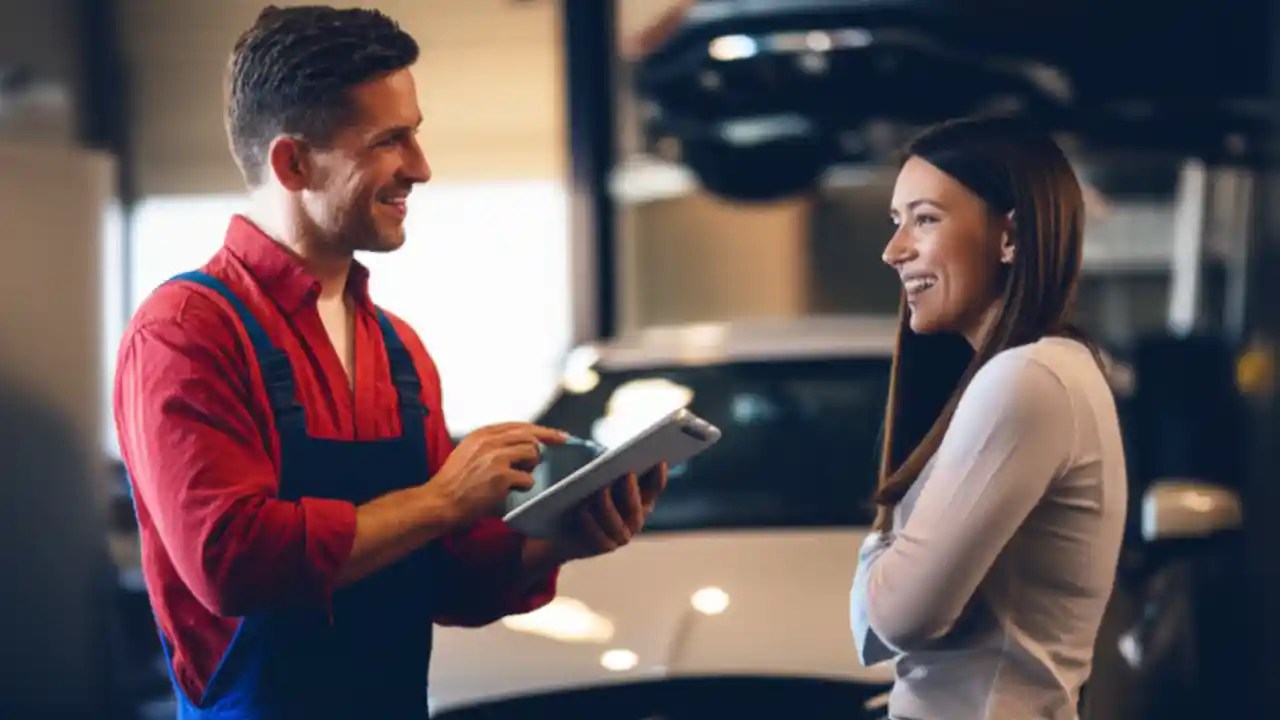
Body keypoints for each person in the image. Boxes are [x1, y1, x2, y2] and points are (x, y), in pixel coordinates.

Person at [113, 7, 667, 718]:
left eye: (417, 133)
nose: (422, 168)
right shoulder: (186, 331)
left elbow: (442, 578)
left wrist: (558, 541)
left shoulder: (398, 349)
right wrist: (441, 499)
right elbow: (232, 561)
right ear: (293, 163)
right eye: (389, 141)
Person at [848, 115, 1128, 720]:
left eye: (925, 219)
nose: (894, 251)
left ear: (1011, 236)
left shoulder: (1026, 377)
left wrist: (878, 550)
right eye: (898, 223)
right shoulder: (1048, 370)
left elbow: (902, 617)